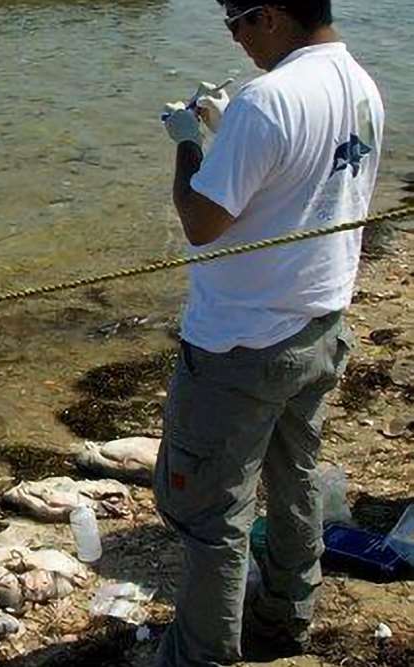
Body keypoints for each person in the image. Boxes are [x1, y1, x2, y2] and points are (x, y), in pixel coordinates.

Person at [154, 1, 383, 665]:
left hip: (240, 346)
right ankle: (284, 625)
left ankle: (201, 656)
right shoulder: (360, 82)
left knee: (209, 514)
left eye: (237, 22)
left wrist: (187, 142)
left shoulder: (269, 98)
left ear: (273, 16)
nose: (233, 38)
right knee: (294, 482)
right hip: (319, 327)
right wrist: (228, 131)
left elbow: (201, 220)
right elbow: (301, 177)